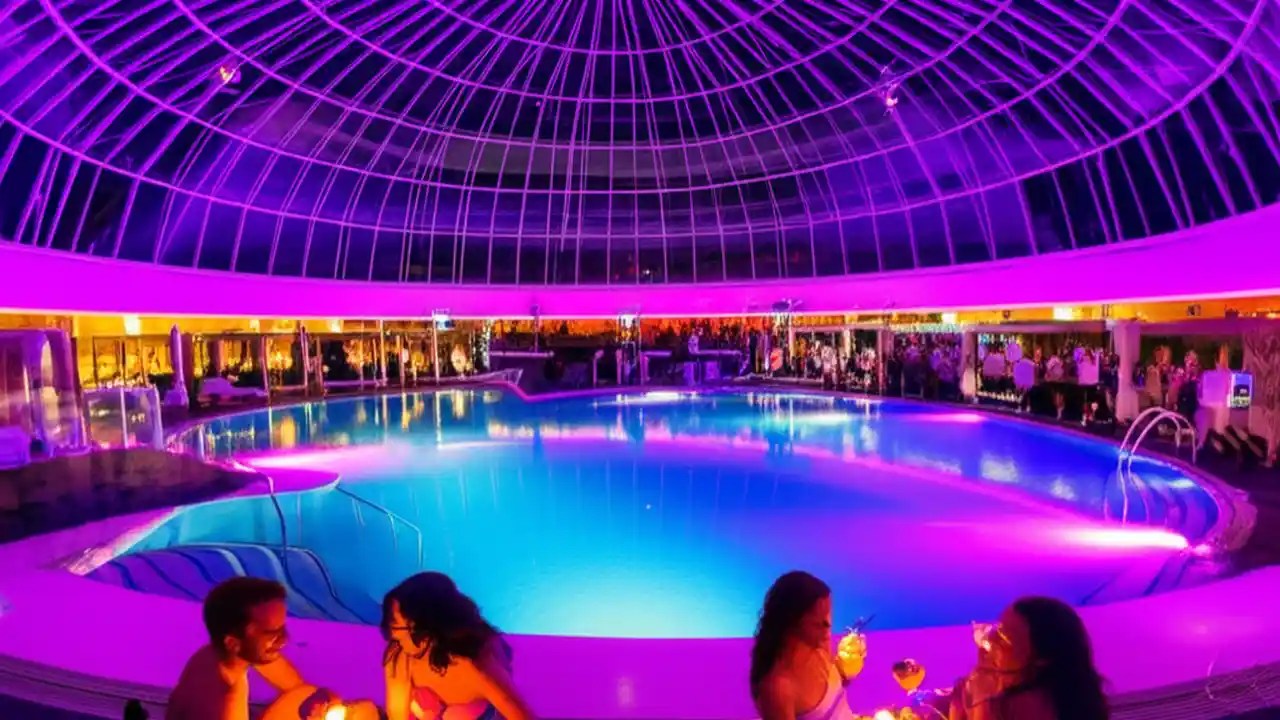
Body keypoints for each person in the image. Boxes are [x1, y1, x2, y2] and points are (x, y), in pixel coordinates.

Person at [167, 577, 378, 720]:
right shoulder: (217, 701)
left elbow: (299, 687)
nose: (285, 640)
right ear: (233, 642)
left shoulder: (229, 654)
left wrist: (321, 697)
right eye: (272, 634)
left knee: (357, 710)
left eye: (282, 628)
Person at [382, 572, 534, 720]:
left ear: (425, 625)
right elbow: (396, 714)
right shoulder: (399, 656)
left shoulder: (475, 664)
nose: (393, 631)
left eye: (398, 624)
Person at [950, 597, 1108, 720]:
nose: (990, 641)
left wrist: (980, 695)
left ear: (1042, 657)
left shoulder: (1031, 703)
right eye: (997, 629)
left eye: (1004, 638)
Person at [750, 571, 863, 720]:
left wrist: (848, 670)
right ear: (793, 621)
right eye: (820, 623)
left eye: (828, 619)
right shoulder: (777, 688)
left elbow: (831, 699)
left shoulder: (819, 647)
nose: (828, 630)